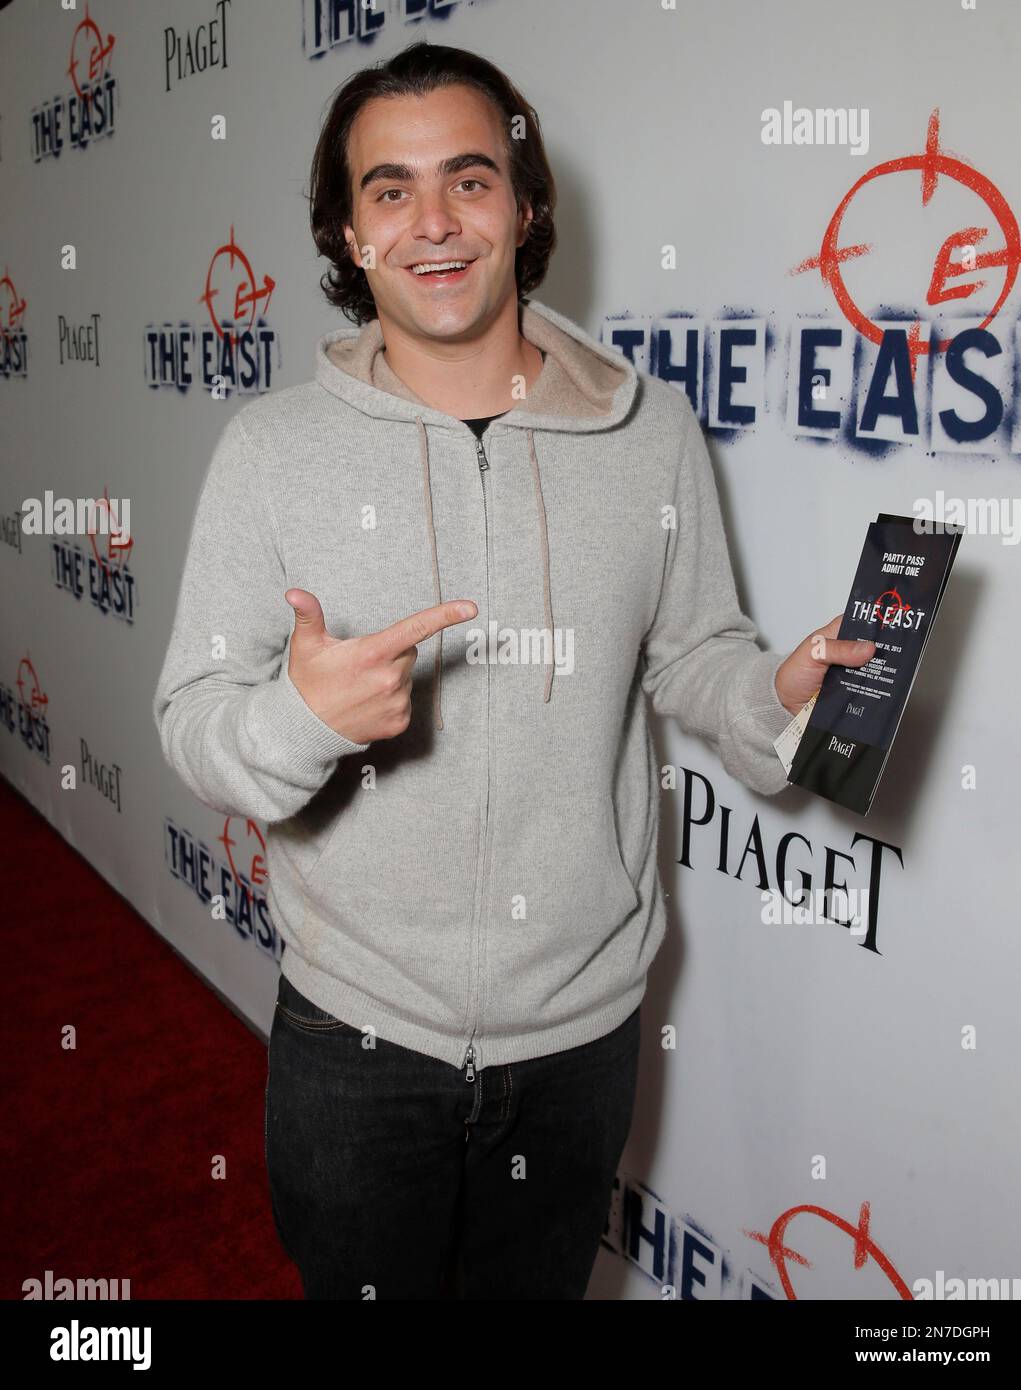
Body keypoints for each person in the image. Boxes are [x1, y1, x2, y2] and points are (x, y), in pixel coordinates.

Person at [153, 39, 874, 1300]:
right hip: (355, 1033)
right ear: (346, 230)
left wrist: (778, 695)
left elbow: (696, 652)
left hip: (578, 1034)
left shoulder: (647, 433)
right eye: (390, 191)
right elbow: (193, 720)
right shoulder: (269, 451)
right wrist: (294, 719)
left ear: (526, 205)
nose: (433, 222)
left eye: (470, 180)